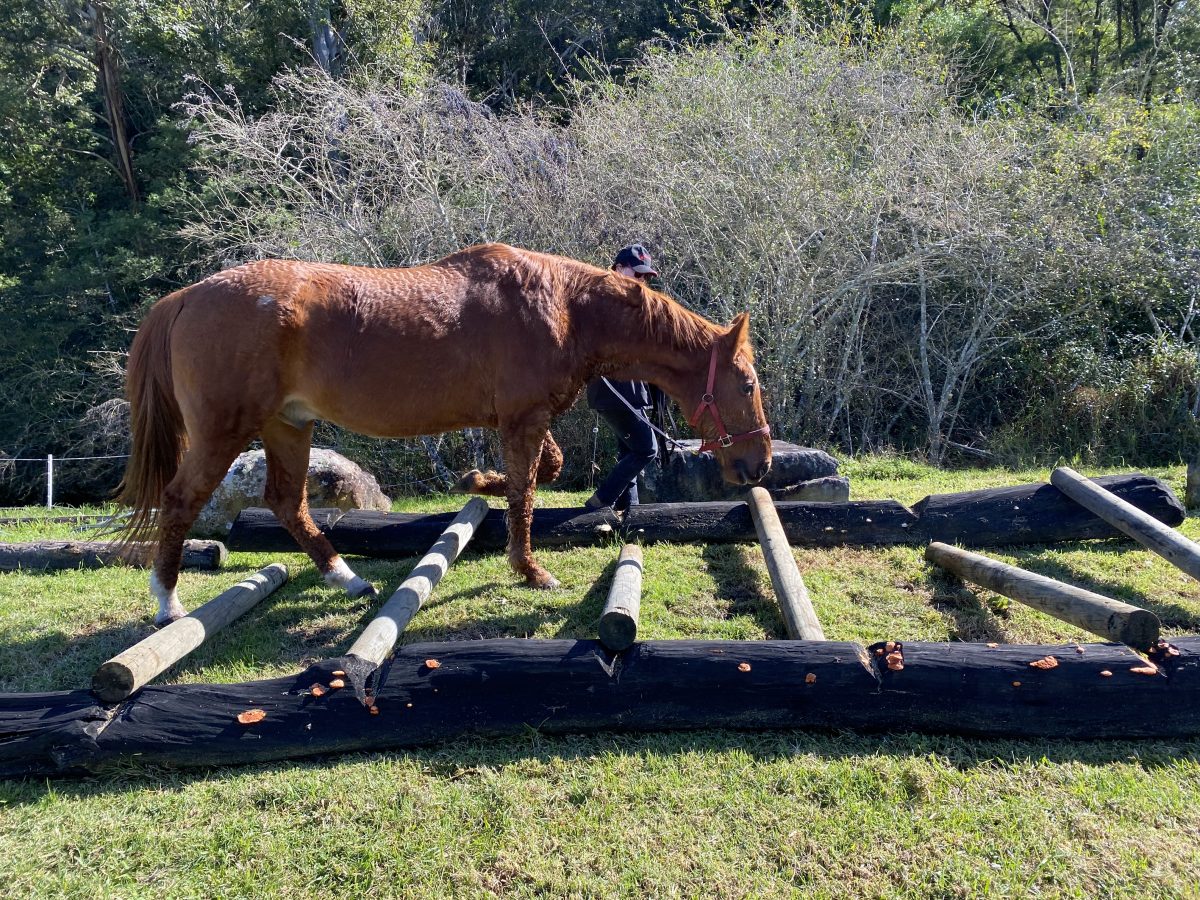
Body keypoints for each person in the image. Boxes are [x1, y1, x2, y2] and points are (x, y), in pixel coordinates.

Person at [584, 244, 662, 513]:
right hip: (614, 391)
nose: (641, 281)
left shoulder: (632, 304)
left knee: (629, 453)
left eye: (645, 277)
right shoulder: (602, 300)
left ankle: (631, 513)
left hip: (632, 391)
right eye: (636, 274)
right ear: (617, 268)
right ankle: (601, 501)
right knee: (646, 449)